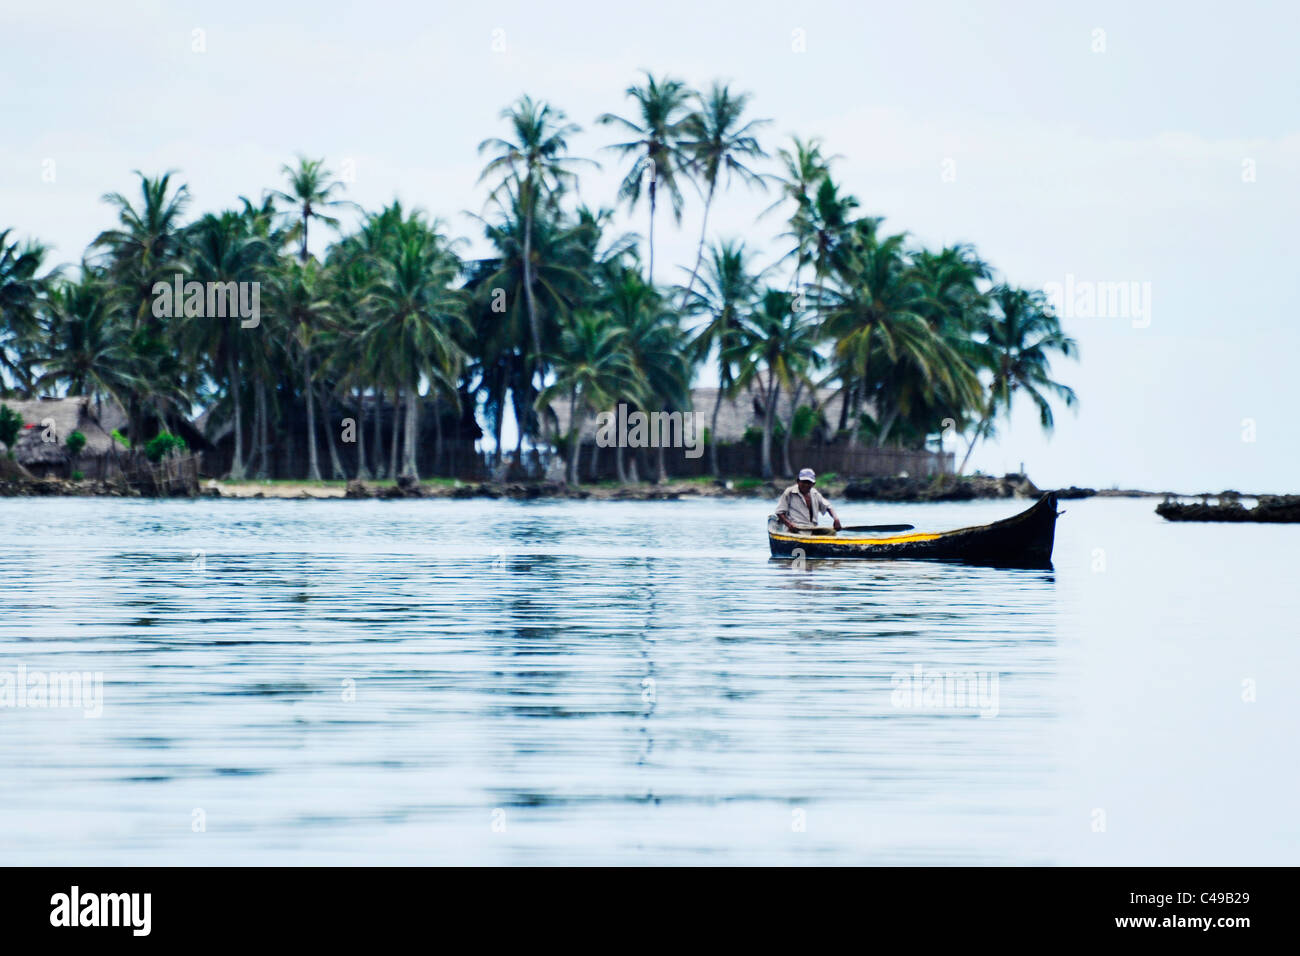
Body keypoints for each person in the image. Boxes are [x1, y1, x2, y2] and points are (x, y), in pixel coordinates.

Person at [775, 468, 842, 532]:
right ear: (798, 481)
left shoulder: (815, 493)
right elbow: (779, 512)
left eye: (809, 483)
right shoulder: (789, 492)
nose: (806, 485)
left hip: (812, 529)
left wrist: (836, 519)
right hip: (795, 530)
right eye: (804, 482)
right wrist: (789, 524)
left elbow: (828, 506)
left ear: (813, 484)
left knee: (831, 532)